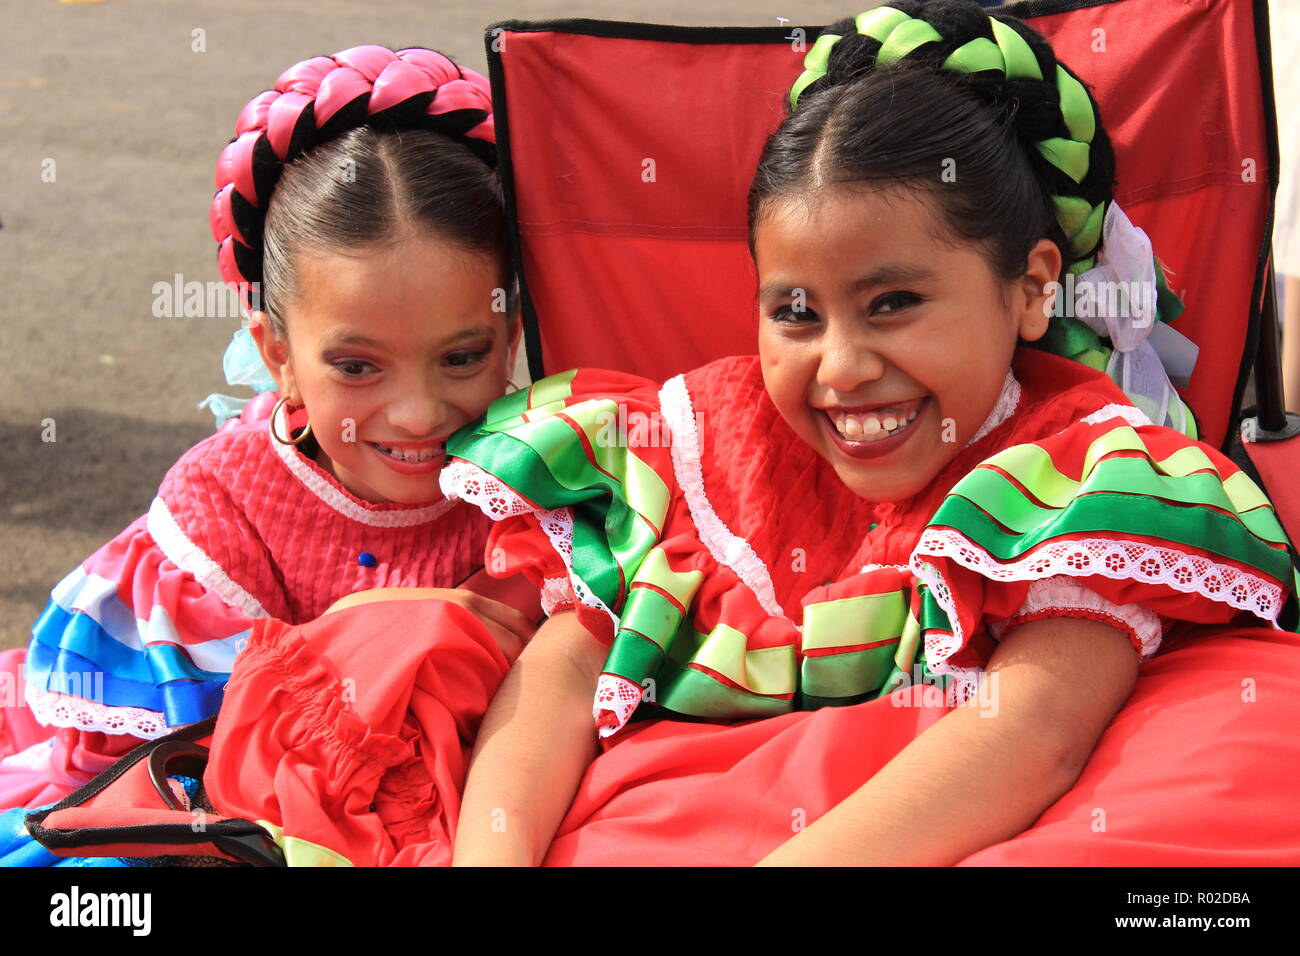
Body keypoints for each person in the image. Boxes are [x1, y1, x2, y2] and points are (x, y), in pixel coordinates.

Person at [437, 1, 1300, 865]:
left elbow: (1033, 735)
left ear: (1034, 288)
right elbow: (561, 672)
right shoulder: (700, 446)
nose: (842, 367)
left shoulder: (1079, 473)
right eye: (796, 312)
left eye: (895, 304)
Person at [0, 45, 535, 814]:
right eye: (357, 367)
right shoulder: (225, 511)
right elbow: (178, 775)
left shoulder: (545, 470)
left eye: (461, 357)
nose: (419, 413)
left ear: (510, 336)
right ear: (276, 355)